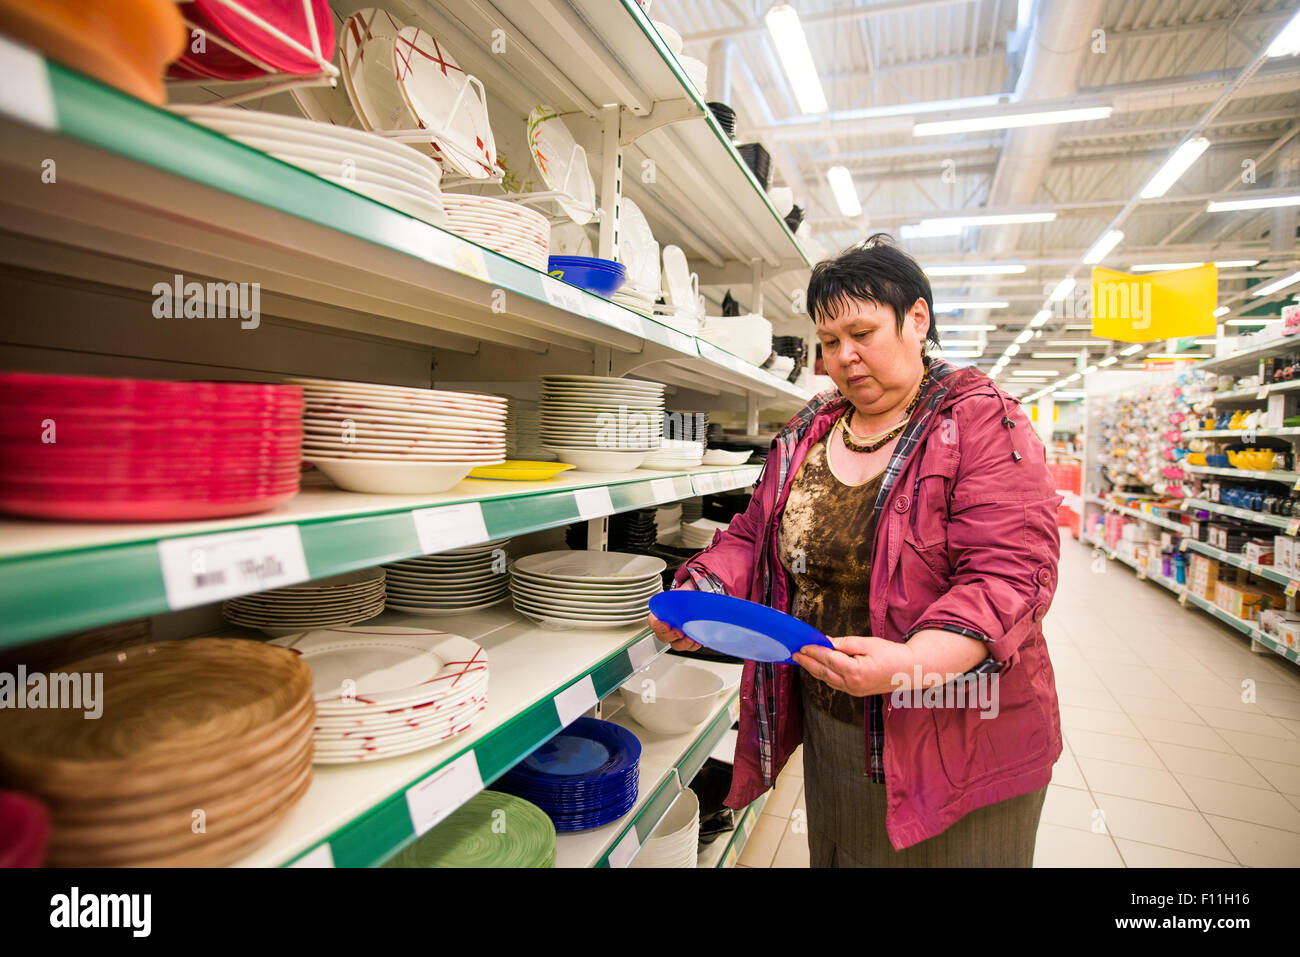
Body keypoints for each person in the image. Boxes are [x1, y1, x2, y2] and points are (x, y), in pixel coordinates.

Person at [648, 234, 1063, 867]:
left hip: (955, 730)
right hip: (837, 722)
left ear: (916, 320)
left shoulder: (982, 423)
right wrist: (700, 594)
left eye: (862, 333)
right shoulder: (812, 427)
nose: (845, 357)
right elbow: (755, 535)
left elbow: (1010, 577)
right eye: (830, 342)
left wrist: (910, 663)